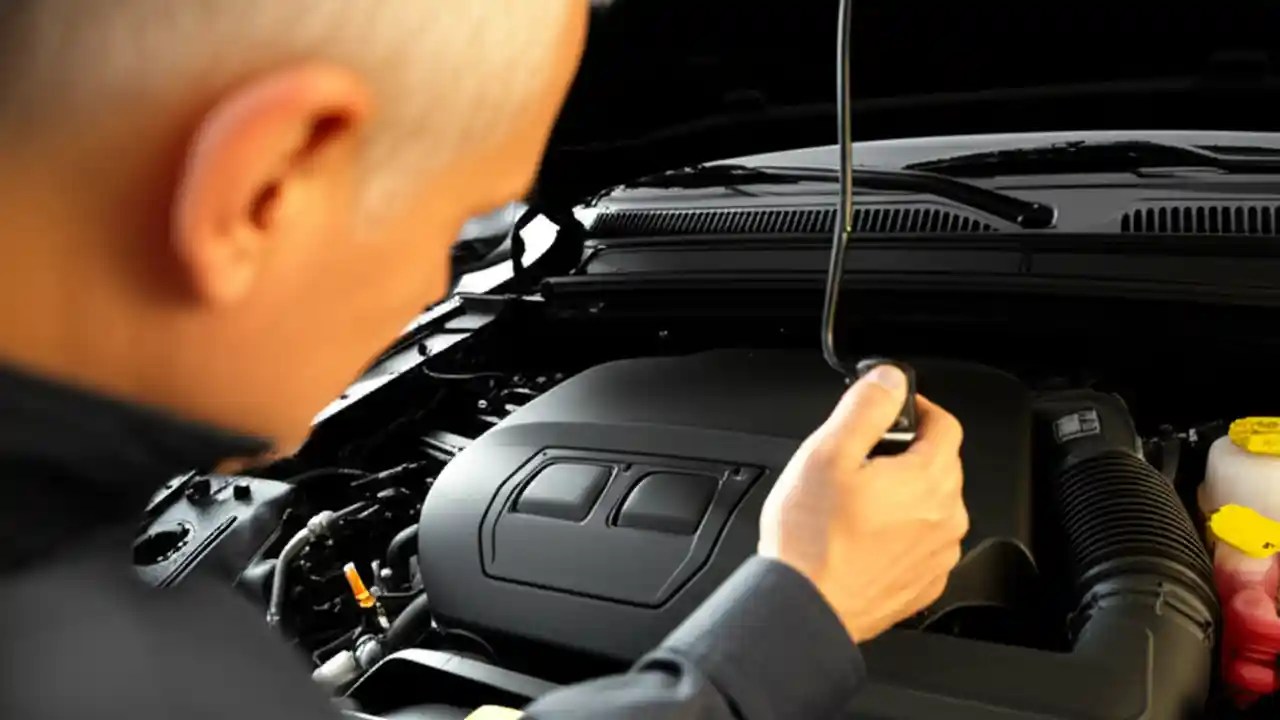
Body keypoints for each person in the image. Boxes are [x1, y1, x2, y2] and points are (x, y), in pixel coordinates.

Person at [0, 1, 968, 719]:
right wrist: (796, 616)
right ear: (268, 182)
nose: (434, 286)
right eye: (463, 225)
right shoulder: (106, 664)